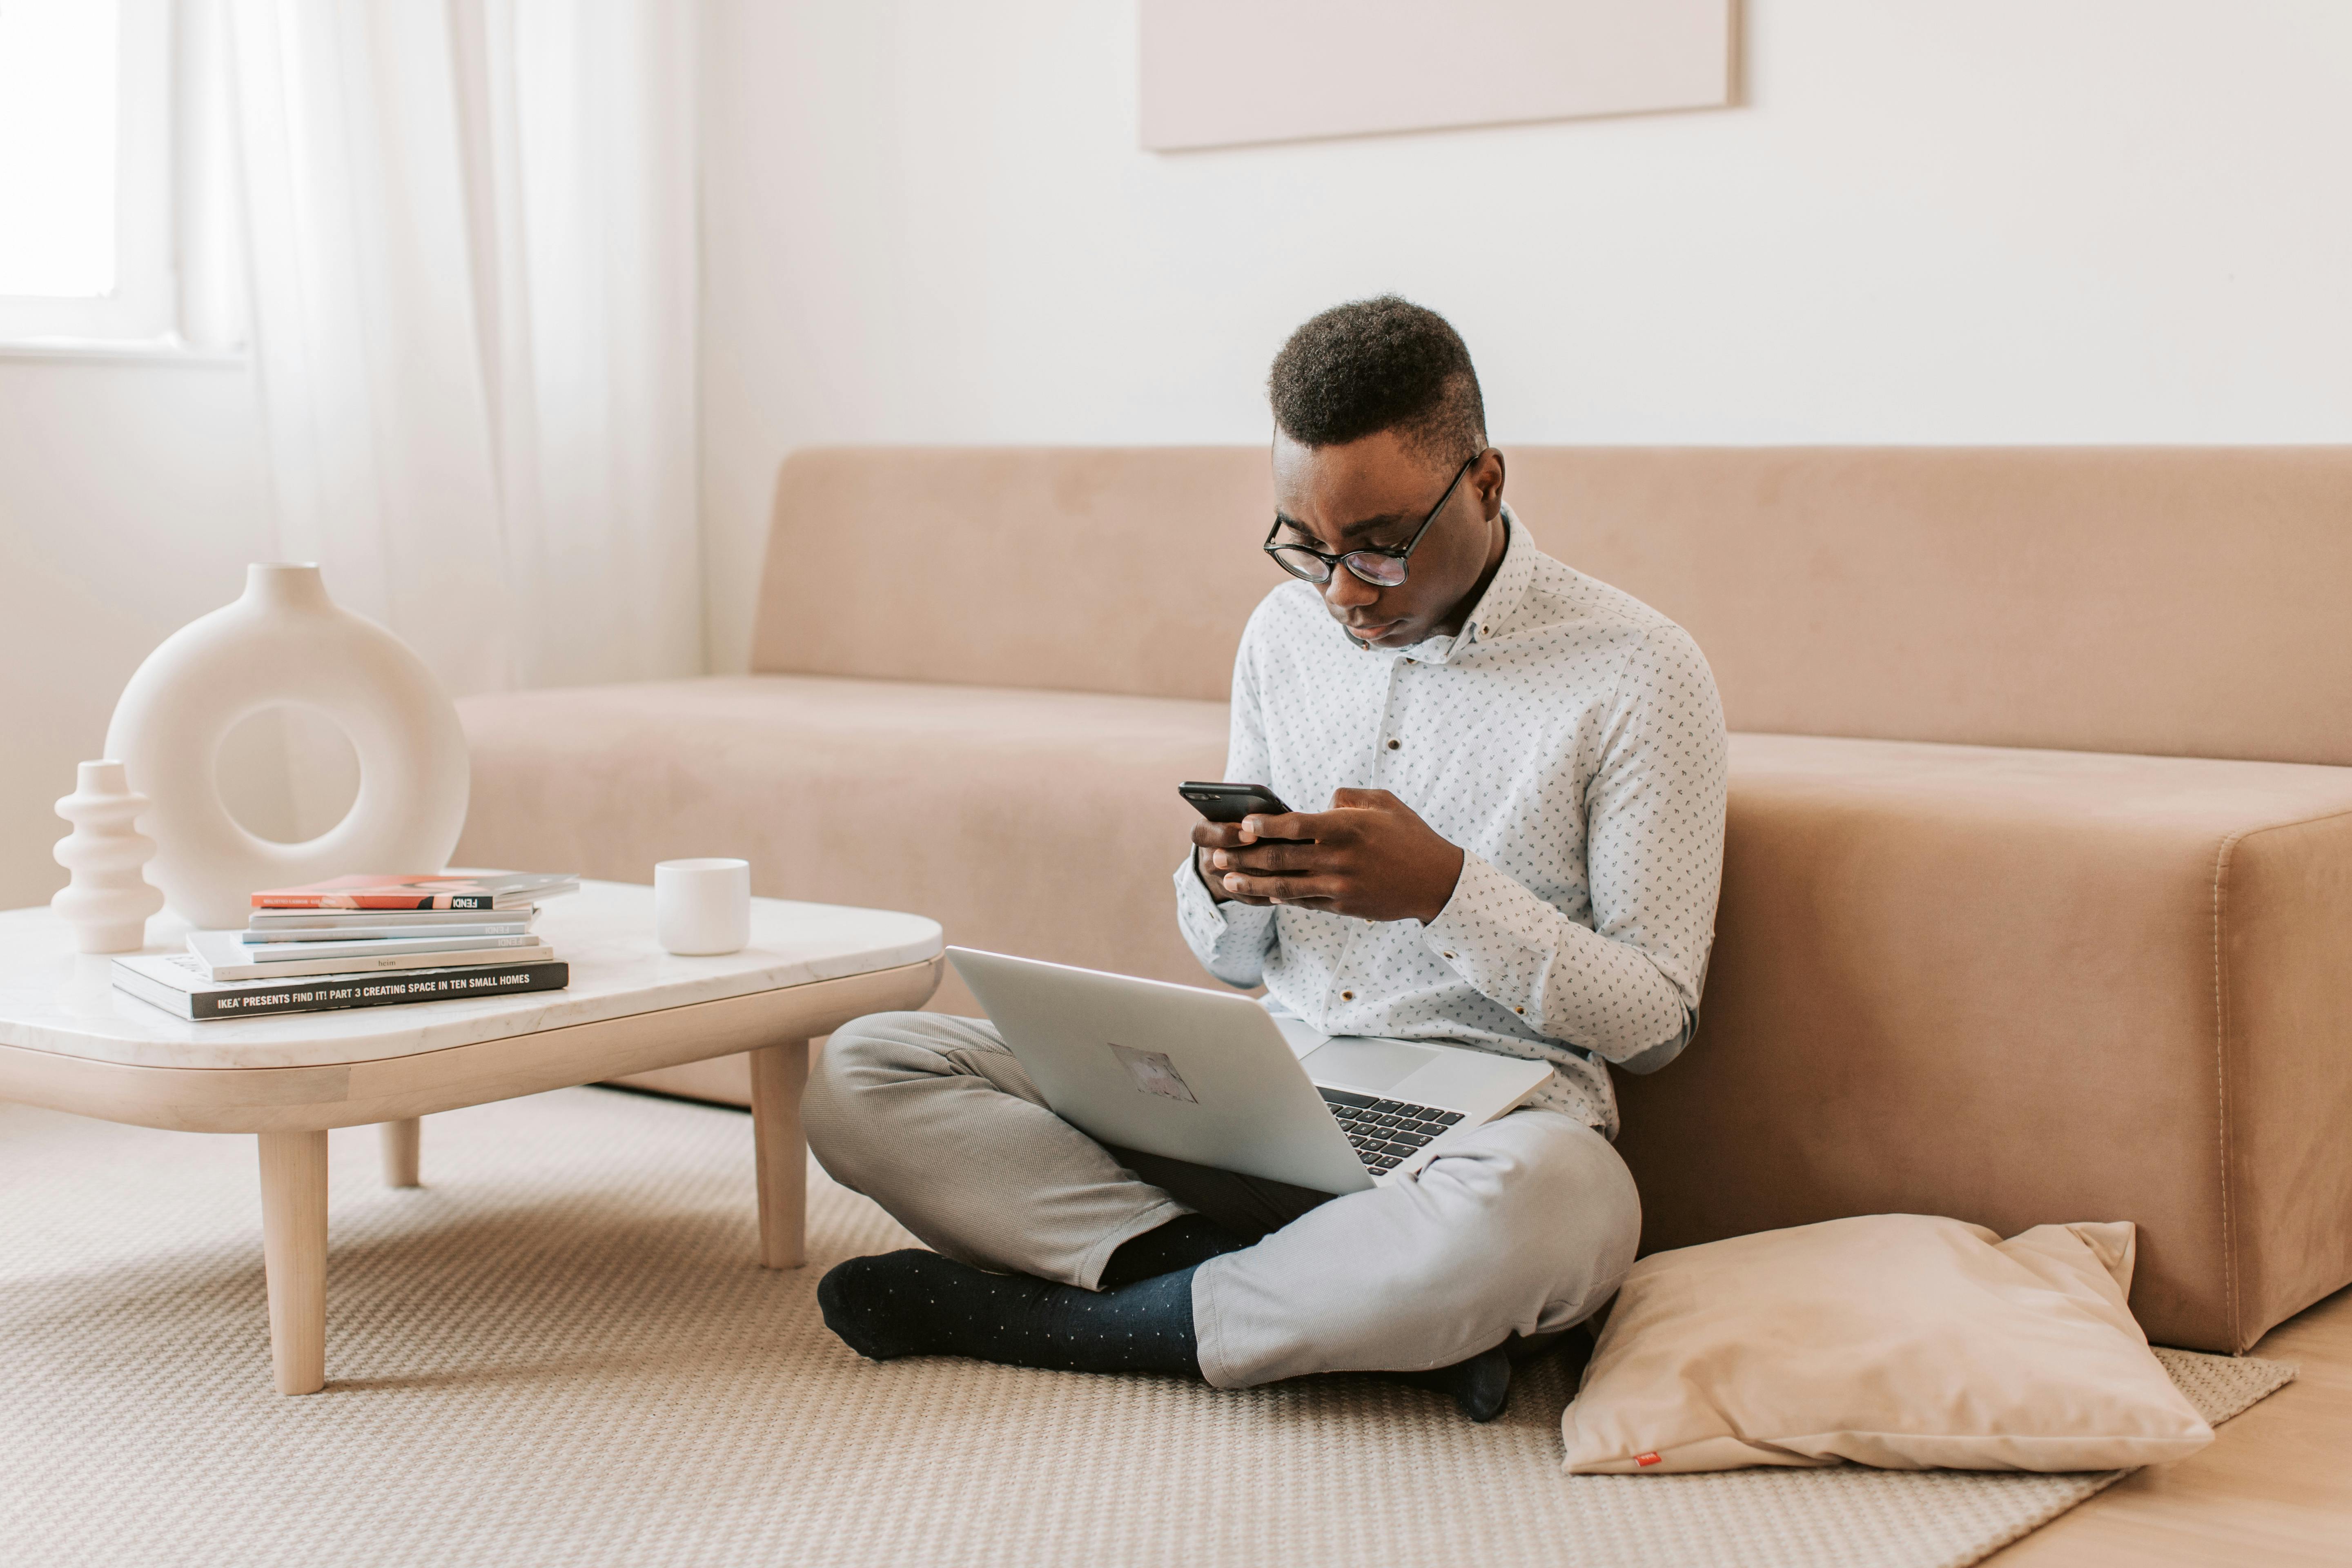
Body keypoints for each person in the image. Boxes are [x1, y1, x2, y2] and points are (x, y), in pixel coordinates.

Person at [805, 296, 1728, 1421]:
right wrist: (1222, 883)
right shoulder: (1284, 635)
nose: (1342, 592)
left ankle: (1082, 1323)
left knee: (1573, 1209)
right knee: (865, 1071)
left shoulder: (1637, 669)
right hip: (1259, 1098)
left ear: (1485, 483)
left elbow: (1656, 1024)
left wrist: (1444, 894)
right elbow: (1234, 963)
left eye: (1380, 546)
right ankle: (1322, 1305)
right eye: (1308, 546)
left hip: (1479, 1143)